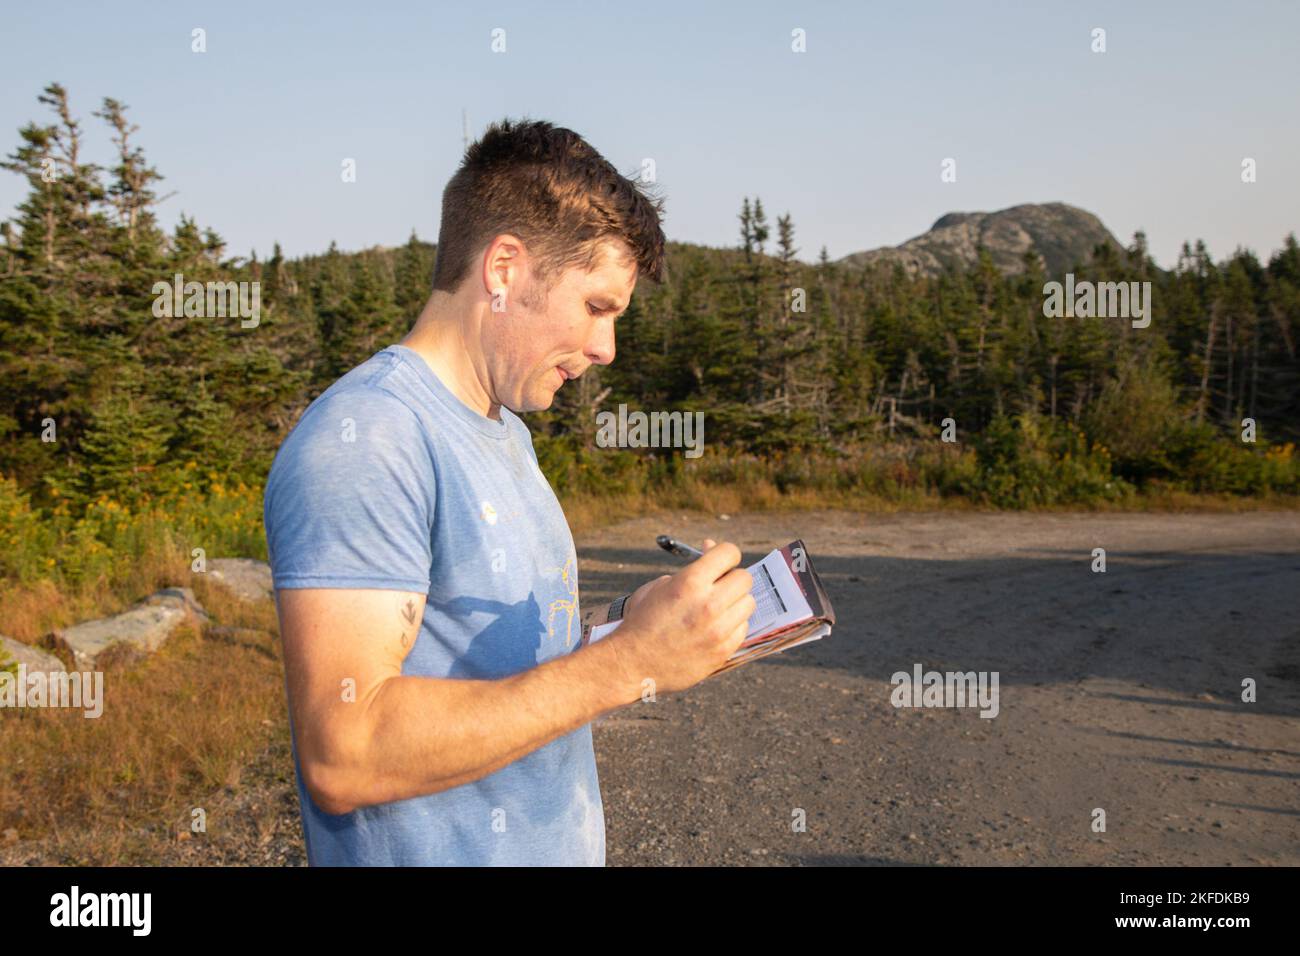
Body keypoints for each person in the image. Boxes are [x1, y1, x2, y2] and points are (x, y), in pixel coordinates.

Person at [262, 118, 755, 865]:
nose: (605, 349)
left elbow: (503, 654)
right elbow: (344, 750)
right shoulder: (369, 438)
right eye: (596, 308)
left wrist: (645, 629)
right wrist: (628, 666)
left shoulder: (506, 432)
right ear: (503, 269)